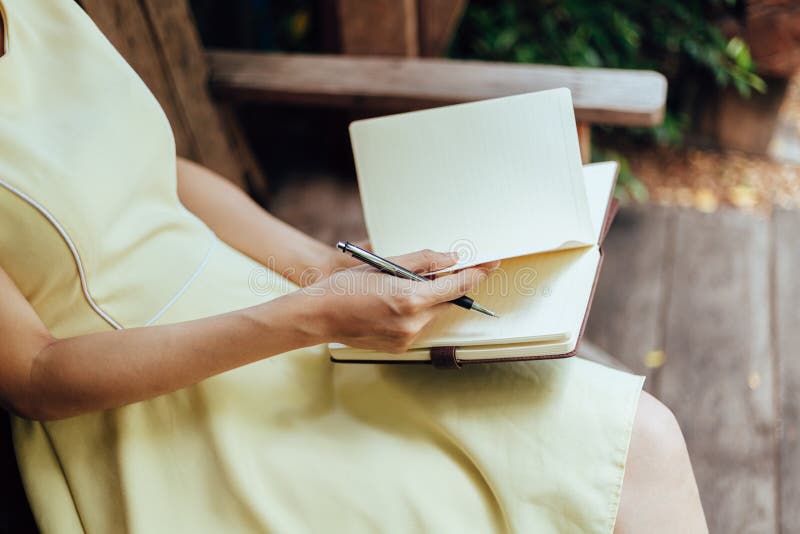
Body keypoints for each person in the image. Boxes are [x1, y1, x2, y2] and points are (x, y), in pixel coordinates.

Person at [0, 1, 706, 532]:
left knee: (644, 441)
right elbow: (35, 374)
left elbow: (166, 172)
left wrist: (321, 268)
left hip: (270, 307)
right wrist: (307, 315)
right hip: (149, 406)